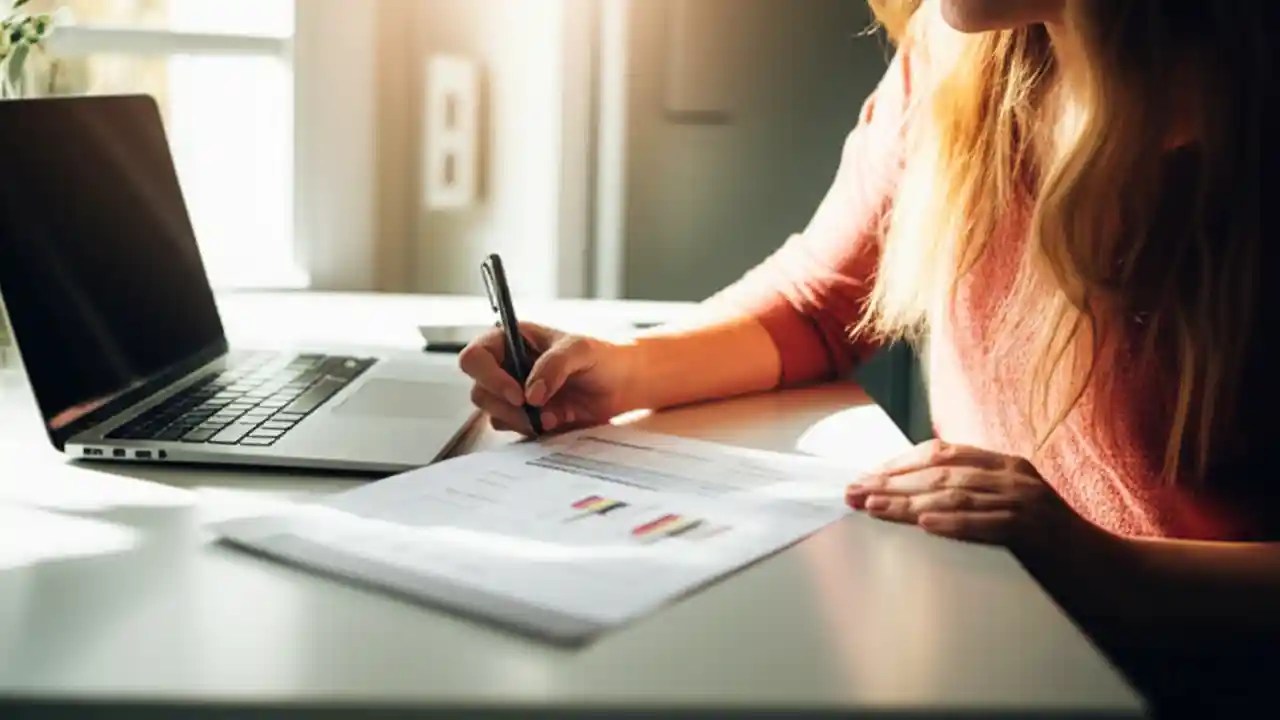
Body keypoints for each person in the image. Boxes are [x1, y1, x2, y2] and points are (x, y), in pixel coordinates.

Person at [460, 0, 1276, 712]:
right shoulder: (959, 59)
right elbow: (821, 304)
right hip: (987, 650)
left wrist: (1111, 569)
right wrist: (624, 370)